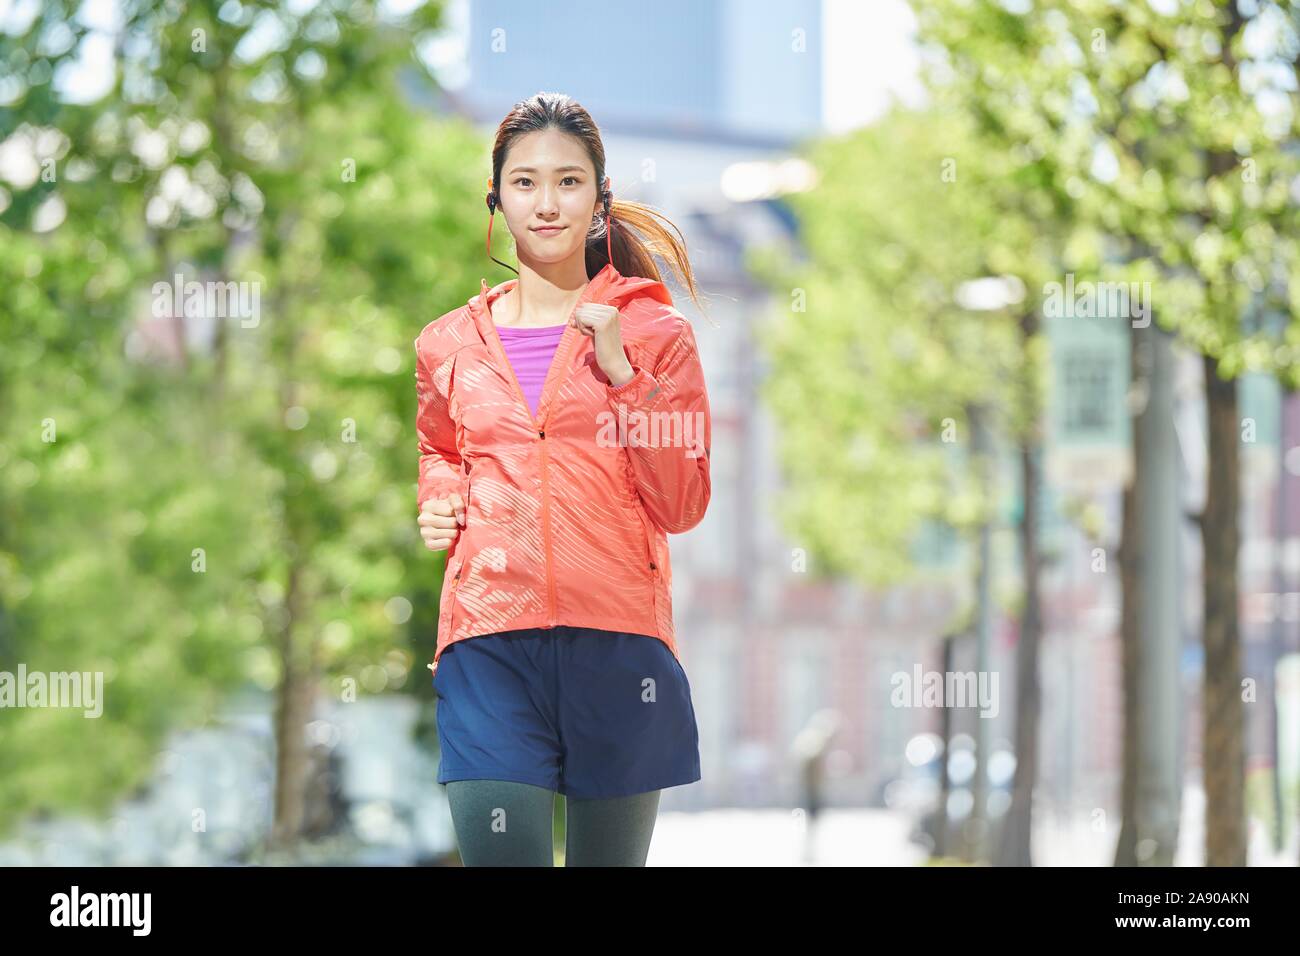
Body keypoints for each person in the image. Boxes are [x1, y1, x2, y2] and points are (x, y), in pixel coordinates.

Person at [414, 92, 713, 866]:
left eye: (568, 182)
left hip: (616, 647)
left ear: (599, 197)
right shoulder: (447, 343)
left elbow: (682, 501)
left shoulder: (655, 332)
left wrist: (624, 377)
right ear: (495, 199)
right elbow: (441, 449)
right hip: (489, 640)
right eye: (524, 183)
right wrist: (440, 500)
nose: (546, 204)